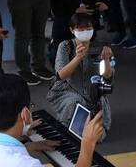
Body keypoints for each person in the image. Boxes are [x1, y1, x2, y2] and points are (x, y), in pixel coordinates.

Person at [47, 12, 114, 140]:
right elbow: (61, 75)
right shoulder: (65, 46)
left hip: (93, 92)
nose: (85, 32)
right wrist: (77, 58)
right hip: (67, 90)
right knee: (75, 104)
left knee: (99, 135)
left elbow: (107, 77)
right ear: (72, 30)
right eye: (80, 29)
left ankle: (83, 126)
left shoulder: (100, 47)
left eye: (88, 29)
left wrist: (106, 60)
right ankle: (67, 127)